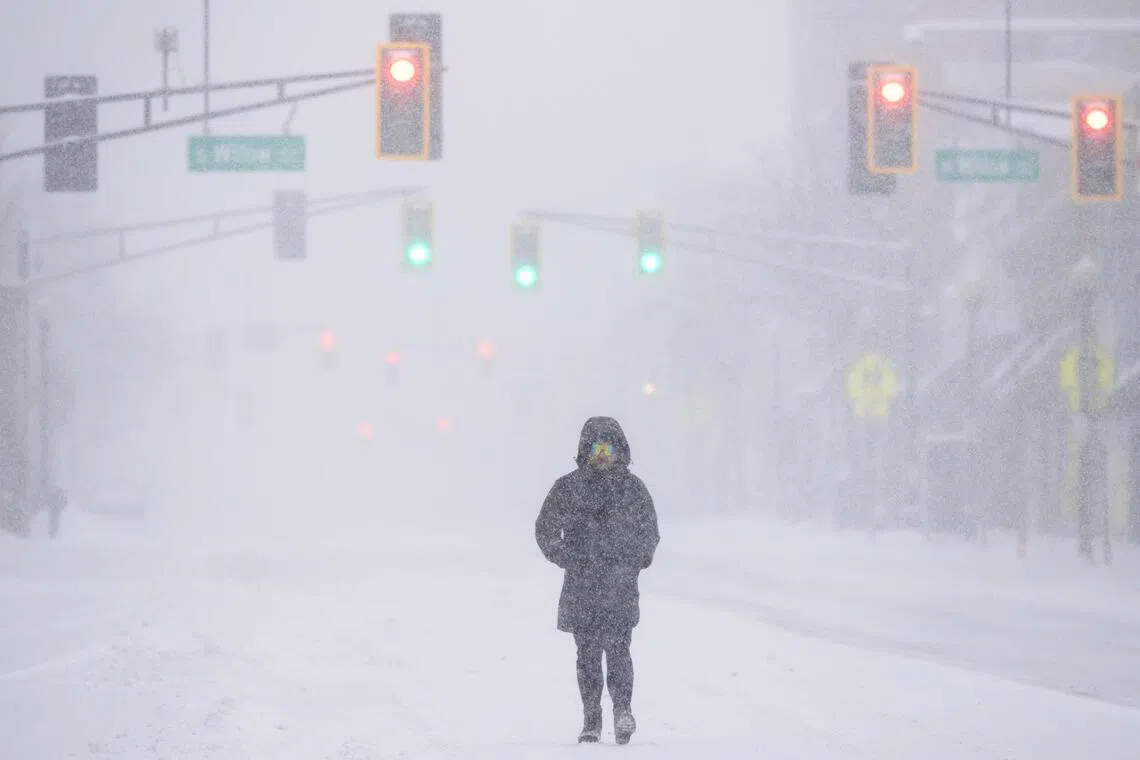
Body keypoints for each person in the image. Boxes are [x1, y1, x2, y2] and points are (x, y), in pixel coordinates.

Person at [534, 416, 660, 744]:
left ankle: (623, 711)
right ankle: (591, 718)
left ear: (620, 450)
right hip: (582, 586)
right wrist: (565, 555)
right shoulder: (568, 487)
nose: (602, 455)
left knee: (619, 651)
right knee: (587, 654)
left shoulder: (633, 489)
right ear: (585, 451)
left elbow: (650, 530)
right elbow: (545, 528)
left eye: (609, 448)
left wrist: (637, 558)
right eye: (596, 448)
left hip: (619, 585)